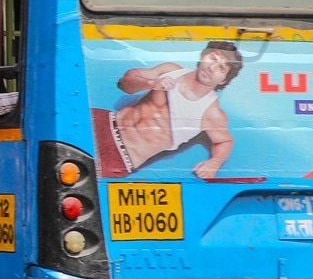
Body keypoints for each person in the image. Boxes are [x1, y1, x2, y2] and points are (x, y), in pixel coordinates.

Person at [90, 41, 244, 179]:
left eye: (221, 68)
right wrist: (150, 83)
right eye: (213, 58)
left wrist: (214, 162)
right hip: (102, 122)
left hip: (119, 157)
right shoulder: (171, 70)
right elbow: (125, 83)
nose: (211, 68)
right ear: (203, 56)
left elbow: (225, 140)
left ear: (223, 79)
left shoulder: (211, 112)